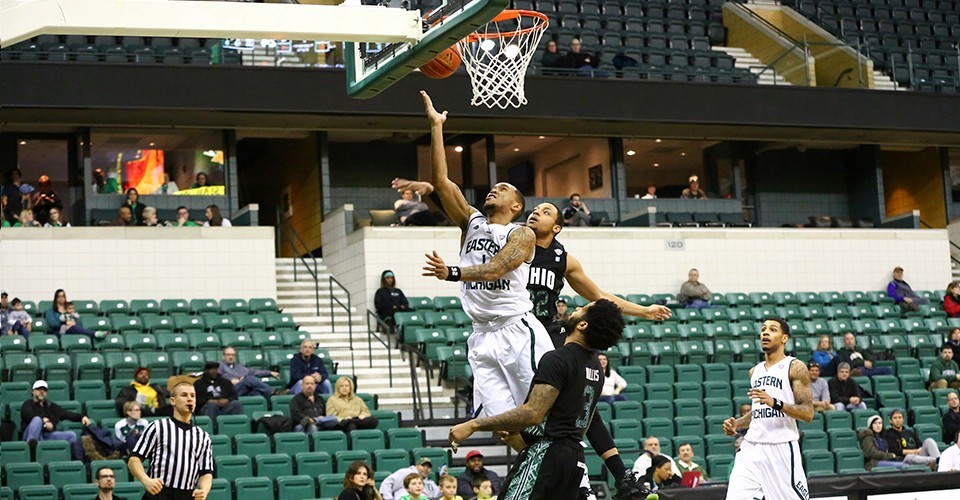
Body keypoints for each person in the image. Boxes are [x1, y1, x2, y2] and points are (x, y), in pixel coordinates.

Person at [419, 91, 554, 421]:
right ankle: (532, 471)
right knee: (500, 422)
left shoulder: (521, 234)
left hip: (517, 329)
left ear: (517, 206)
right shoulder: (471, 221)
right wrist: (437, 127)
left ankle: (570, 472)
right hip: (480, 333)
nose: (495, 188)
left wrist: (452, 273)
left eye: (505, 189)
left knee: (541, 413)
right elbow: (440, 181)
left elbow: (496, 269)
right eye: (495, 187)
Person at [448, 299, 627, 500]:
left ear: (583, 325)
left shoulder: (558, 358)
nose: (576, 309)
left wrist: (474, 425)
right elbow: (584, 426)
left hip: (546, 455)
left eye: (582, 309)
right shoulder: (596, 368)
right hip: (574, 458)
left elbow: (532, 413)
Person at [722, 318, 814, 500]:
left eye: (772, 329)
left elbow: (807, 413)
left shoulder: (795, 367)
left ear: (784, 338)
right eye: (763, 329)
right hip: (751, 447)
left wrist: (776, 403)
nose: (765, 332)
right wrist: (738, 423)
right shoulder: (754, 371)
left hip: (781, 447)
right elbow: (759, 410)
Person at [129, 381, 213, 500]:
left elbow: (206, 472)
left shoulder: (203, 436)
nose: (189, 399)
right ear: (173, 400)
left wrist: (204, 490)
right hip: (159, 495)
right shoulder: (157, 427)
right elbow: (134, 459)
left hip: (187, 496)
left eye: (192, 396)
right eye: (184, 395)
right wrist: (146, 480)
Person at [21, 380, 92, 460]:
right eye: (39, 389)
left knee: (71, 435)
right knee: (37, 419)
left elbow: (66, 414)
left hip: (46, 436)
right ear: (33, 391)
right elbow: (27, 414)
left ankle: (73, 461)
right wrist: (44, 420)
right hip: (30, 434)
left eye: (44, 390)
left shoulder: (51, 406)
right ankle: (31, 448)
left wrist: (82, 417)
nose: (42, 392)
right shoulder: (28, 404)